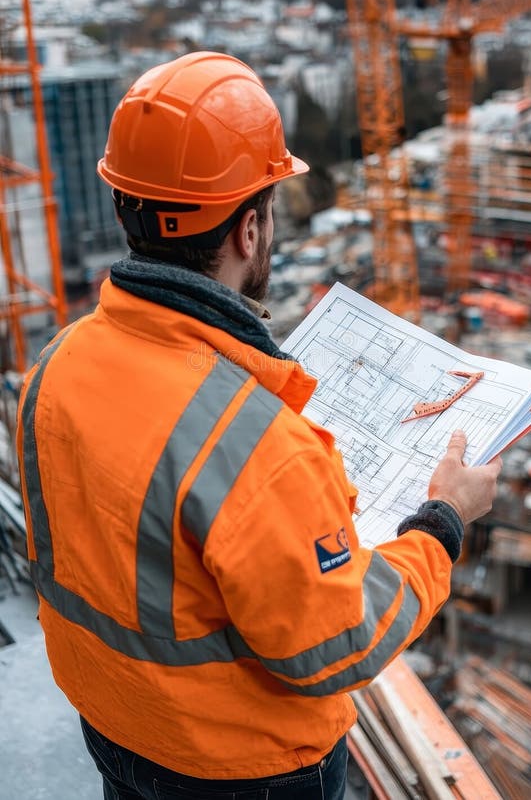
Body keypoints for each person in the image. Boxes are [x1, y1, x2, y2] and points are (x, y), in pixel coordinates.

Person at [16, 52, 502, 800]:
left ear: (124, 207)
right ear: (249, 230)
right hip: (240, 772)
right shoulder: (255, 442)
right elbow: (338, 646)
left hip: (115, 729)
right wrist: (442, 522)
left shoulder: (58, 365)